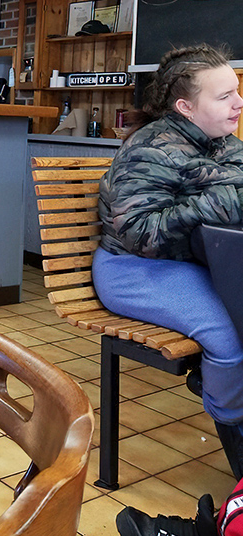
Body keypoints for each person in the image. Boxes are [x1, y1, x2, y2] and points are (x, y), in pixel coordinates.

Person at [93, 44, 243, 478]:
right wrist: (225, 201)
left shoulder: (223, 144)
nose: (239, 102)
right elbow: (141, 232)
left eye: (236, 91)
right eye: (224, 96)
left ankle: (221, 388)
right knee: (231, 336)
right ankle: (232, 423)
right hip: (133, 271)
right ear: (185, 106)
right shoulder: (150, 148)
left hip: (202, 262)